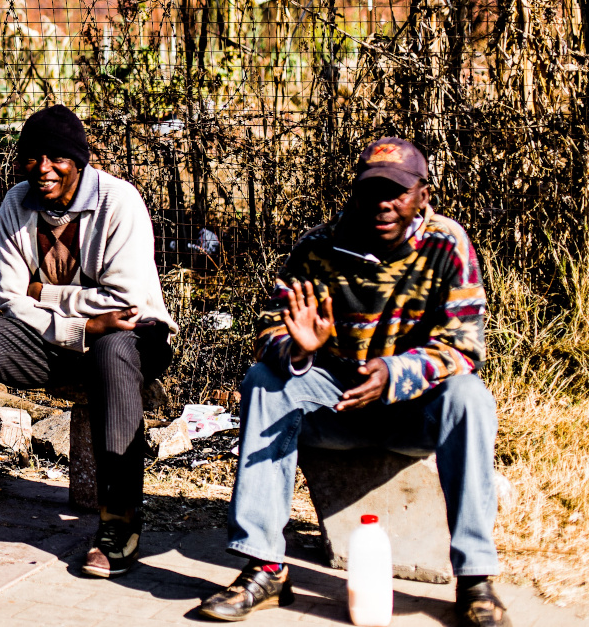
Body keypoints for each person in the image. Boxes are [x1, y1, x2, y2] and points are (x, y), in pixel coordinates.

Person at [195, 138, 507, 627]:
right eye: (372, 192)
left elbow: (464, 347)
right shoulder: (320, 247)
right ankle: (266, 567)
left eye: (398, 193)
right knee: (263, 381)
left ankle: (475, 579)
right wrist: (298, 348)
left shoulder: (448, 245)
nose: (383, 204)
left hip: (413, 409)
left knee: (469, 397)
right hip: (335, 403)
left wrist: (394, 373)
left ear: (423, 195)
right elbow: (271, 326)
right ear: (355, 195)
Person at [0, 104, 176, 579]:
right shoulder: (15, 204)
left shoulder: (118, 201)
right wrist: (80, 324)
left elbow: (125, 301)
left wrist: (43, 291)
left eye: (57, 158)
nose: (43, 169)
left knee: (112, 349)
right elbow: (10, 299)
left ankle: (119, 521)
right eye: (32, 158)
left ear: (80, 161)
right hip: (61, 340)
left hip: (134, 338)